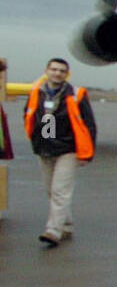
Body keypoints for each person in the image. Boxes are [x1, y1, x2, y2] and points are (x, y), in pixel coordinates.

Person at [23, 58, 96, 247]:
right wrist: (36, 141)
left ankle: (53, 231)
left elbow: (89, 124)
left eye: (62, 71)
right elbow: (29, 116)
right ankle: (66, 225)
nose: (57, 73)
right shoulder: (36, 93)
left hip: (68, 149)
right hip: (45, 147)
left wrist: (87, 153)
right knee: (50, 190)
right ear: (46, 70)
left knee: (60, 191)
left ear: (66, 74)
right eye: (54, 69)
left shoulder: (76, 95)